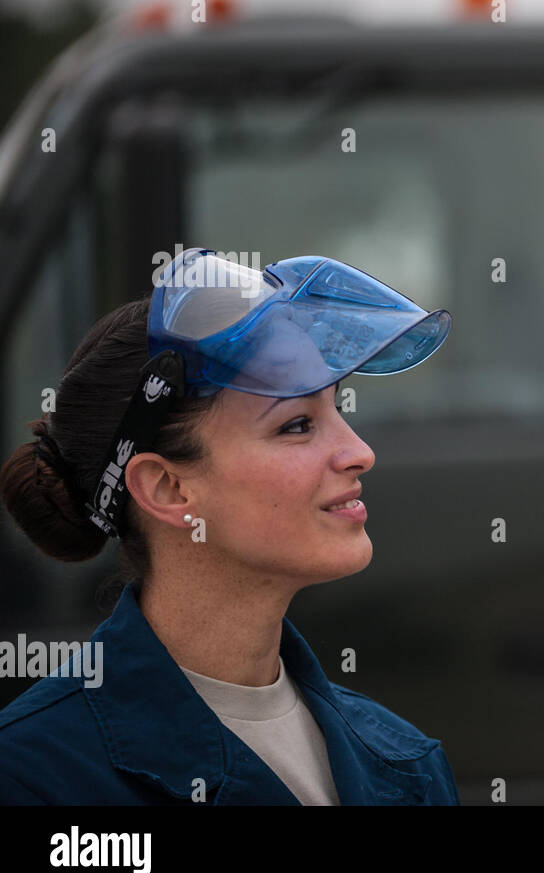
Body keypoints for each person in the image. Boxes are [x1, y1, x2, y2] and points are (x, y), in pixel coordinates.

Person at [0, 248, 460, 805]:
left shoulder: (404, 761)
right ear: (168, 489)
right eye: (295, 425)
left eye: (338, 412)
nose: (358, 452)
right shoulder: (35, 778)